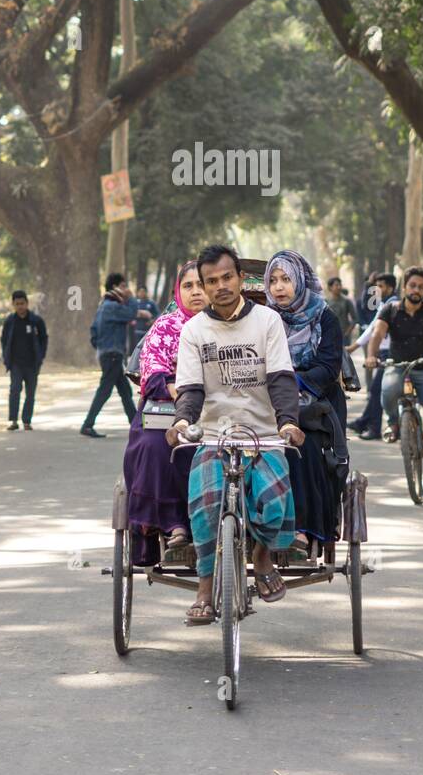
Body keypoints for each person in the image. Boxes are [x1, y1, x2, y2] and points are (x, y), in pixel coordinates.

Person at [166, 244, 303, 623]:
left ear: (241, 278)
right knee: (206, 505)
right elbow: (190, 388)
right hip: (215, 435)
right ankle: (205, 588)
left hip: (264, 434)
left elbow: (281, 378)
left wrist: (287, 422)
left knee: (273, 499)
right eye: (211, 281)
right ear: (204, 286)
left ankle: (262, 557)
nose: (221, 286)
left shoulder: (267, 321)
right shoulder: (194, 330)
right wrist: (182, 423)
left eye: (227, 277)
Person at [122, 262, 208, 563]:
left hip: (218, 409)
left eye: (202, 284)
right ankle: (173, 524)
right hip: (167, 407)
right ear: (178, 291)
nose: (196, 292)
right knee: (155, 445)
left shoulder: (227, 326)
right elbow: (153, 371)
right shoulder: (165, 326)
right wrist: (179, 391)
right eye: (188, 286)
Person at [265, 250, 346, 556]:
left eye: (286, 279)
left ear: (301, 281)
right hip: (267, 400)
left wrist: (291, 382)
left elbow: (328, 366)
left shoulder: (325, 317)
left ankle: (300, 529)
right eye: (273, 280)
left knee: (301, 447)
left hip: (315, 405)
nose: (278, 287)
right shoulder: (263, 318)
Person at [364, 265, 423, 476]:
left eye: (421, 287)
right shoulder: (390, 310)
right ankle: (394, 422)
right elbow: (377, 333)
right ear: (404, 287)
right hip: (397, 366)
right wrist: (371, 356)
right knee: (388, 391)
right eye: (412, 285)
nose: (416, 290)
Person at [80, 273, 151, 438]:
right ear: (115, 288)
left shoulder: (103, 305)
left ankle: (136, 426)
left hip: (110, 353)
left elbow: (93, 332)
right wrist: (131, 298)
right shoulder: (111, 306)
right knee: (105, 390)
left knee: (125, 391)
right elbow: (131, 313)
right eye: (124, 286)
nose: (126, 289)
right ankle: (87, 425)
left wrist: (101, 347)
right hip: (112, 354)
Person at [347, 273, 398, 439]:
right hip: (384, 353)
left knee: (377, 390)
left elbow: (374, 329)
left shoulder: (393, 305)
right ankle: (364, 422)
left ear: (390, 288)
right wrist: (354, 347)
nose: (377, 290)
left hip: (392, 354)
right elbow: (371, 327)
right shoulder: (384, 304)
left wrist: (353, 347)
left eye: (381, 286)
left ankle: (374, 428)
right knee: (378, 390)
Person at [0, 291, 48, 431]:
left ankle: (27, 421)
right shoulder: (10, 321)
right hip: (15, 363)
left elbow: (44, 339)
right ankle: (13, 421)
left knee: (30, 393)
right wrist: (6, 356)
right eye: (17, 304)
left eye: (22, 303)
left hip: (32, 363)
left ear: (27, 303)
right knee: (15, 390)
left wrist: (41, 356)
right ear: (13, 305)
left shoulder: (36, 321)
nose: (20, 306)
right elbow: (4, 340)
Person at [325, 276, 357, 342]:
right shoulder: (326, 302)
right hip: (330, 335)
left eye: (340, 285)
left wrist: (348, 332)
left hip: (344, 336)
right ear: (330, 287)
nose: (339, 287)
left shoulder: (347, 301)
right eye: (336, 285)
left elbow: (355, 318)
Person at [130, 286, 160, 352]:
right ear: (137, 293)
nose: (142, 293)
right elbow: (130, 314)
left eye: (143, 291)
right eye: (140, 292)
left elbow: (158, 315)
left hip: (147, 331)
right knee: (137, 349)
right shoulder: (135, 303)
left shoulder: (151, 303)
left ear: (146, 292)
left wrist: (152, 320)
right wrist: (133, 320)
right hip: (137, 330)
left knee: (146, 348)